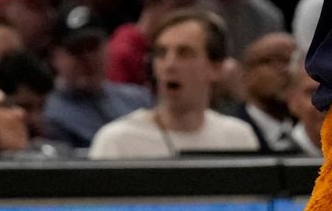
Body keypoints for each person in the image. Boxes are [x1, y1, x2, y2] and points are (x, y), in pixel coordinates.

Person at [89, 9, 258, 158]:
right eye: (161, 53)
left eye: (185, 53)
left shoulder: (238, 137)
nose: (169, 65)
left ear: (216, 68)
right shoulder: (118, 141)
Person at [42, 5, 151, 147]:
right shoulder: (50, 115)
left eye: (93, 47)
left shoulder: (139, 100)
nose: (87, 59)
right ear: (55, 57)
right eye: (76, 50)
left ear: (107, 47)